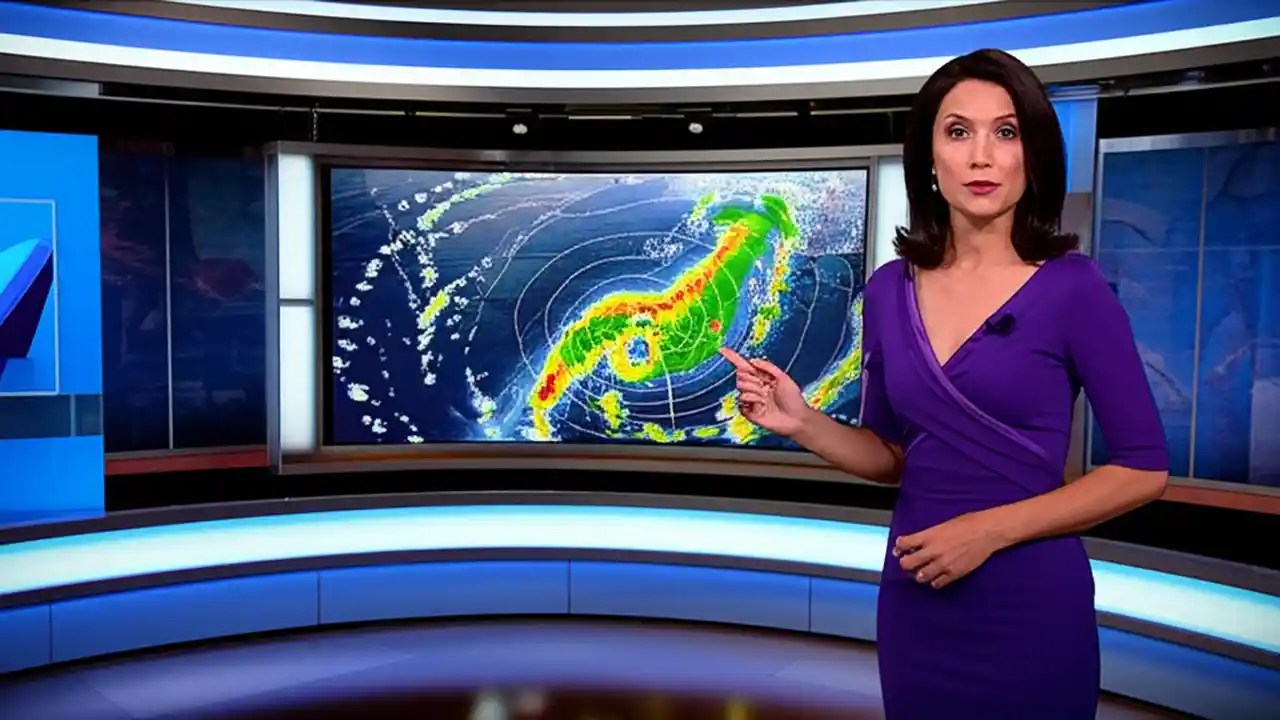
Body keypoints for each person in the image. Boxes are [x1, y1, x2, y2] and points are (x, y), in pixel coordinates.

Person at [720, 48, 1170, 719]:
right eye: (958, 132)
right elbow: (891, 456)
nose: (981, 156)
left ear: (1033, 156)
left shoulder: (1075, 290)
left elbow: (1142, 469)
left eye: (1006, 132)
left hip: (1030, 601)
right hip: (916, 597)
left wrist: (987, 532)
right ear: (928, 158)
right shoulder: (886, 292)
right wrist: (803, 421)